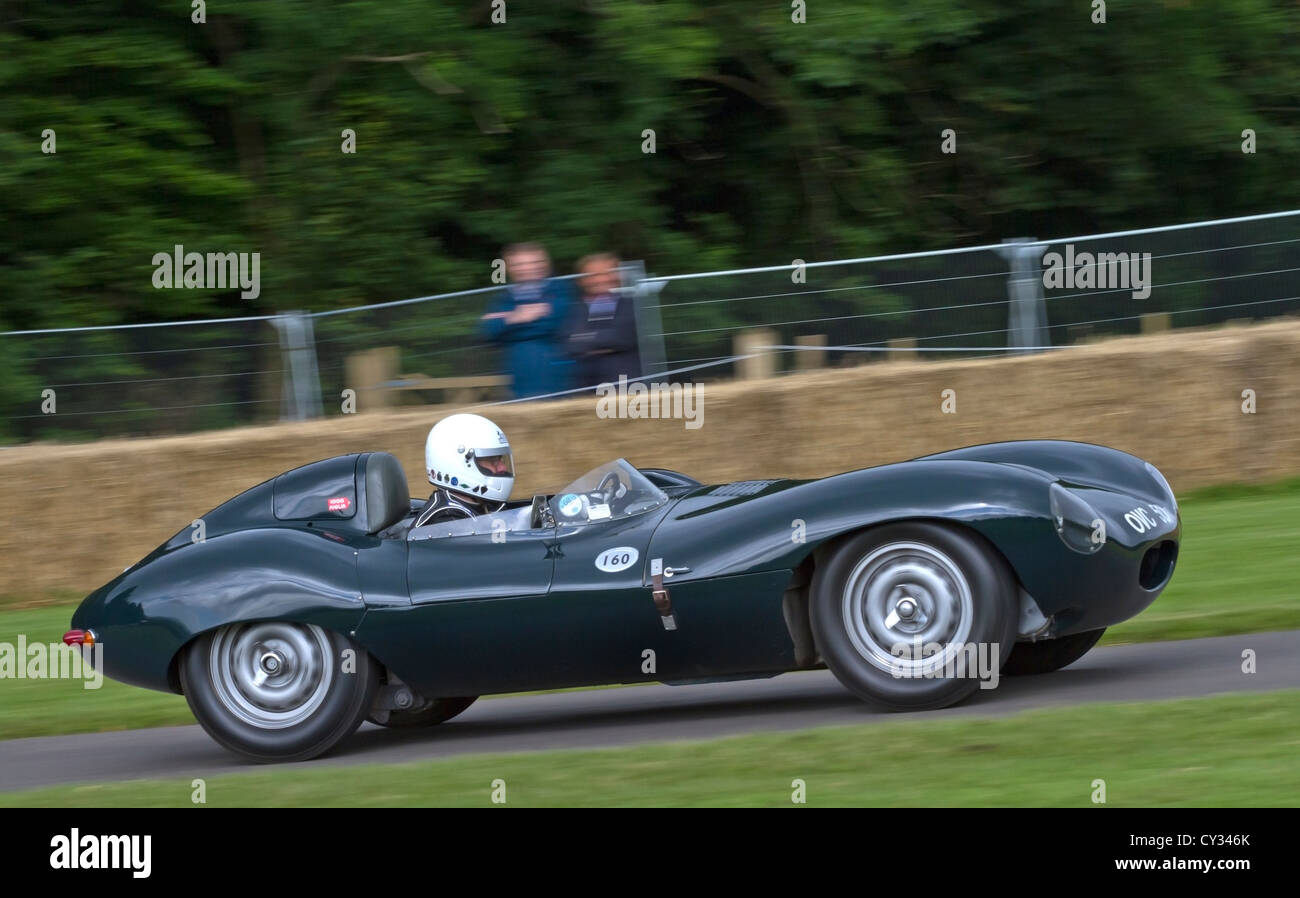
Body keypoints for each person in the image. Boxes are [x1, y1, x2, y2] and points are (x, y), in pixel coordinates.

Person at [480, 243, 573, 399]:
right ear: (509, 267)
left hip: (558, 375)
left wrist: (509, 321)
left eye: (534, 262)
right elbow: (487, 333)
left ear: (545, 264)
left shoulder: (562, 289)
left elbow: (557, 323)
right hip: (519, 378)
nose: (528, 268)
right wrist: (514, 317)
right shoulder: (503, 297)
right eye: (520, 264)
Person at [414, 413, 514, 527]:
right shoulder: (445, 521)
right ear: (457, 463)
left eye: (501, 459)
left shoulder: (486, 506)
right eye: (492, 460)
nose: (503, 467)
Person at [565, 253, 642, 390]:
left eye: (607, 273)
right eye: (593, 275)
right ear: (582, 280)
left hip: (627, 385)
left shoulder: (632, 303)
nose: (600, 279)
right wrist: (605, 341)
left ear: (618, 276)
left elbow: (622, 338)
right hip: (586, 388)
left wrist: (587, 339)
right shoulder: (575, 308)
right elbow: (570, 344)